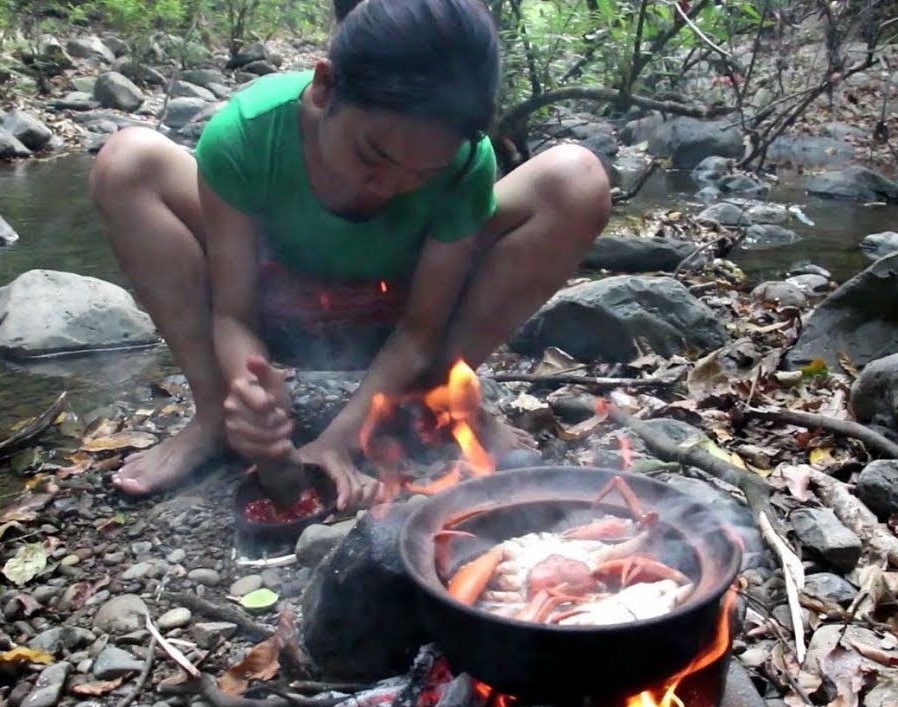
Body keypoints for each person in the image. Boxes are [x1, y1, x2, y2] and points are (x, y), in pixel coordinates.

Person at [88, 0, 611, 511]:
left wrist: (337, 440)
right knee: (128, 161)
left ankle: (437, 396)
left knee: (576, 179)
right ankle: (212, 418)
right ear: (324, 86)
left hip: (398, 320)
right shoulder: (250, 132)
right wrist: (249, 388)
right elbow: (233, 312)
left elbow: (418, 332)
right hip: (284, 305)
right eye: (373, 156)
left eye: (422, 173)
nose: (391, 188)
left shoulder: (466, 163)